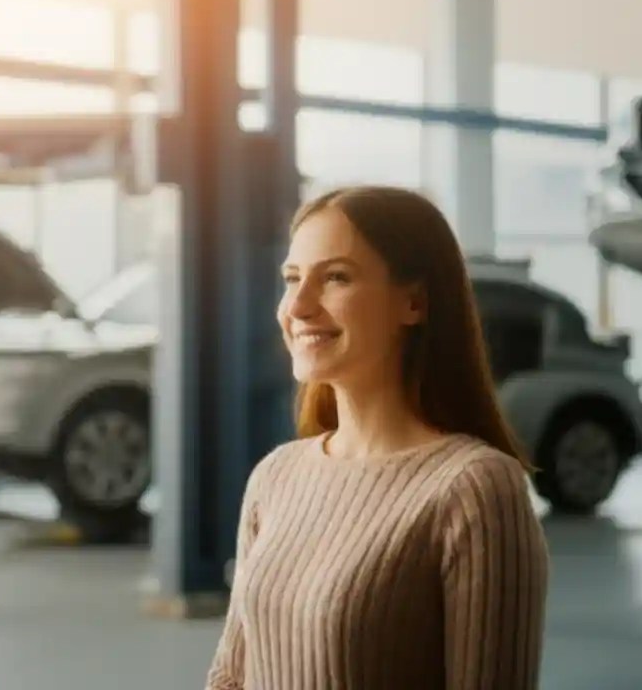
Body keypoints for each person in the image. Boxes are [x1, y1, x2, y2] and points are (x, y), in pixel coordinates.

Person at [206, 186, 550, 690]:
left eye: (335, 278)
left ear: (414, 301)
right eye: (292, 279)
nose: (297, 306)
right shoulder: (276, 476)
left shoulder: (475, 490)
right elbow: (231, 676)